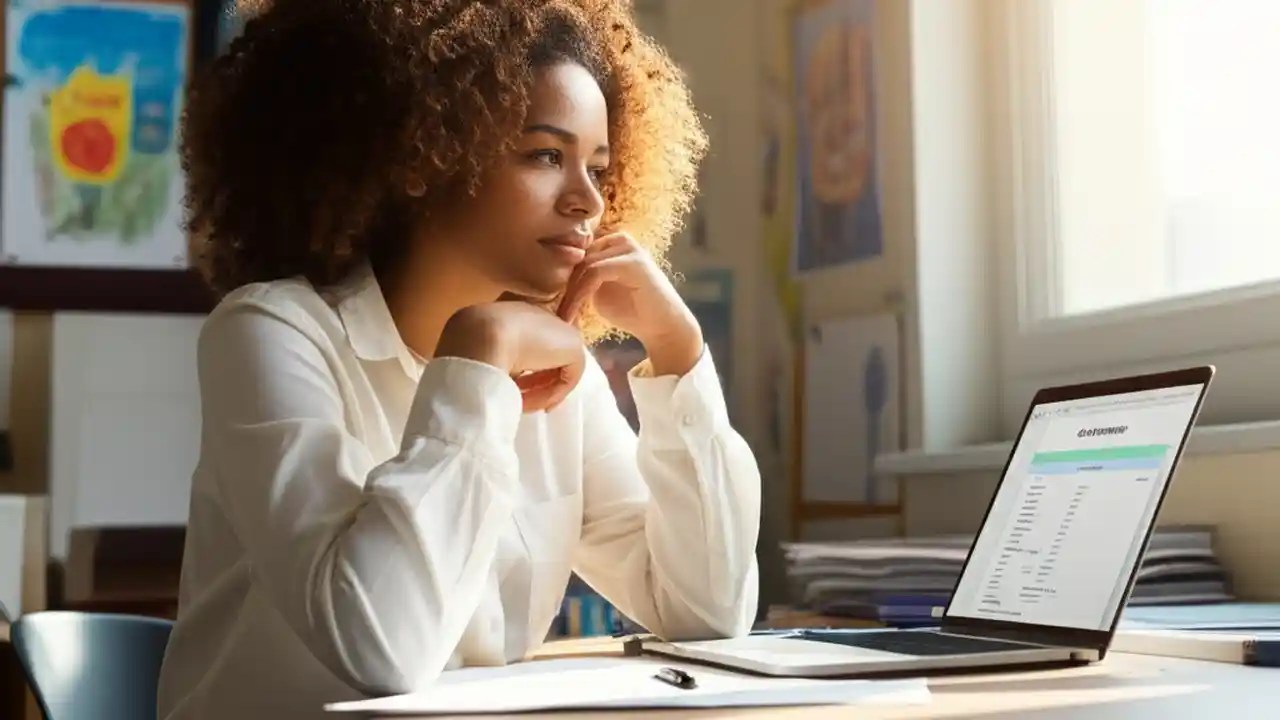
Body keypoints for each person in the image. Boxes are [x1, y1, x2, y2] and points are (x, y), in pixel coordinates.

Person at [155, 1, 762, 718]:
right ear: (423, 152)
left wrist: (680, 355)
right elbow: (380, 647)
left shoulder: (554, 367)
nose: (588, 201)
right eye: (545, 155)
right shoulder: (270, 334)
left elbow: (707, 610)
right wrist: (476, 362)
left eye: (599, 166)